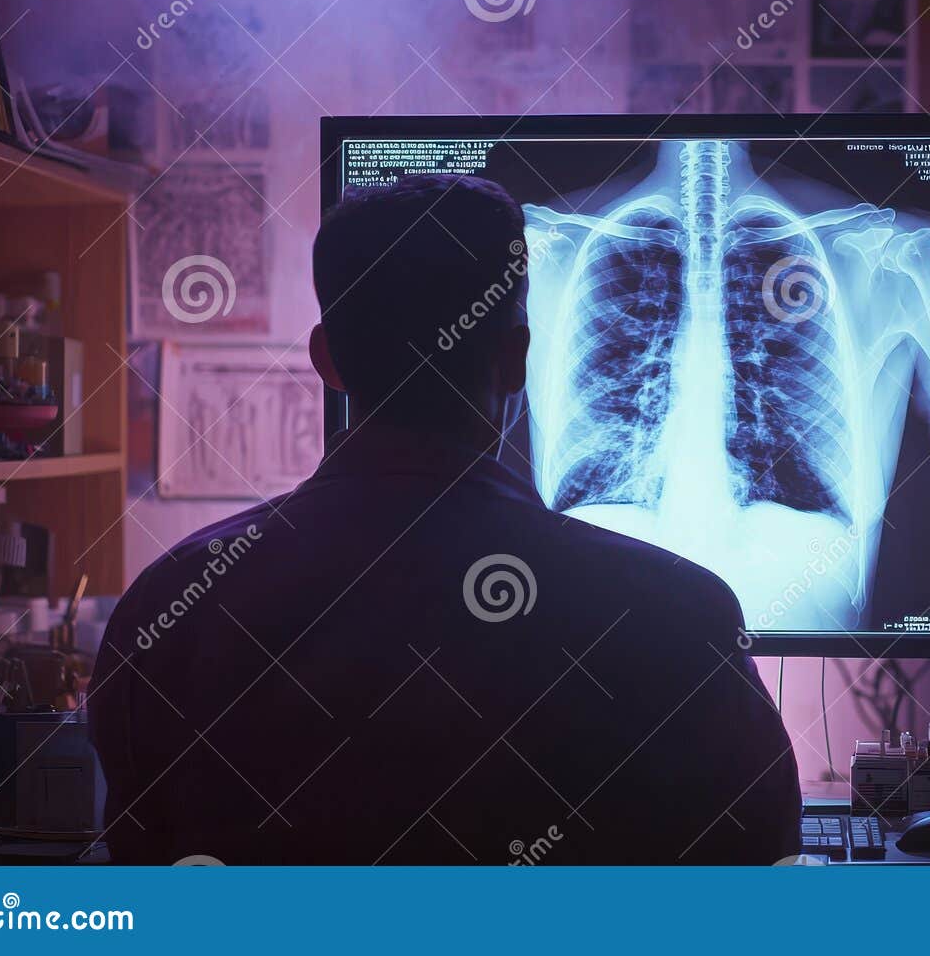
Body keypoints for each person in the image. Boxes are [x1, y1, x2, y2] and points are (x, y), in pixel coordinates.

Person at [90, 173, 802, 864]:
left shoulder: (172, 608)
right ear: (516, 358)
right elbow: (763, 882)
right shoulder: (676, 610)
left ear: (325, 361)